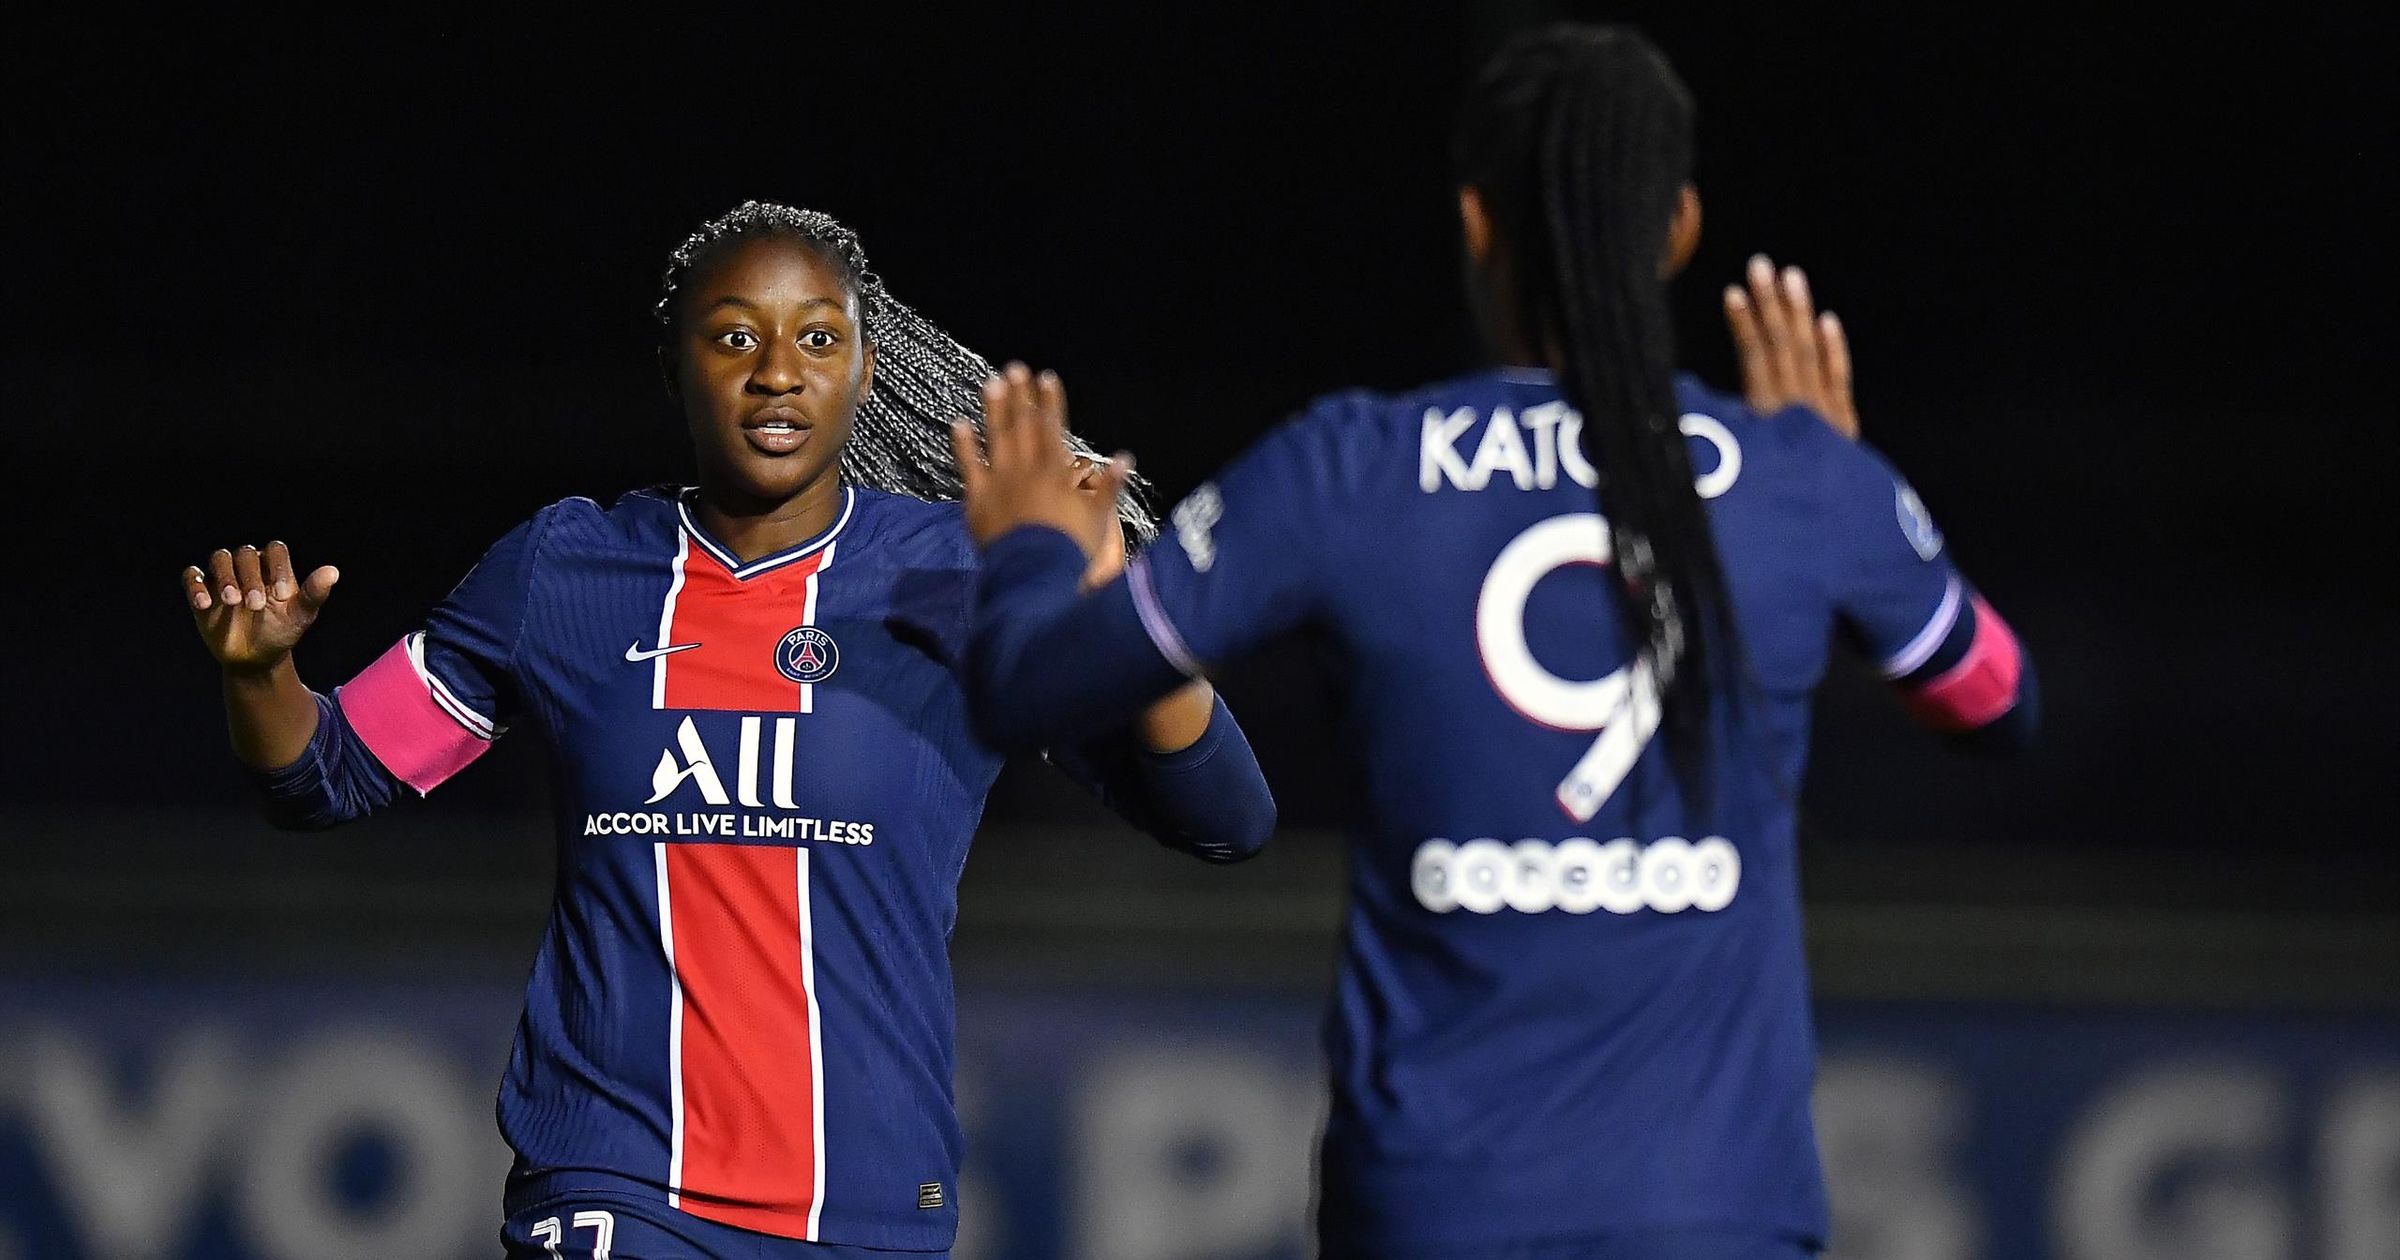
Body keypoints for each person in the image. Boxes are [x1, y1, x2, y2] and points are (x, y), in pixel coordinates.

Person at [953, 25, 2035, 1260]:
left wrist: (1035, 549)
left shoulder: (1349, 468)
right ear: (1678, 228)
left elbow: (1023, 687)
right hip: (1715, 1210)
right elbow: (1997, 701)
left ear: (1475, 224)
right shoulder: (1796, 482)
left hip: (1436, 1211)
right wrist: (1849, 494)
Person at [178, 201, 1274, 1260]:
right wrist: (260, 672)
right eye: (736, 336)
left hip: (872, 1209)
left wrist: (1119, 603)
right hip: (618, 1191)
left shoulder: (959, 581)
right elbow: (324, 777)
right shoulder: (565, 570)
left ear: (865, 370)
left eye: (818, 337)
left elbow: (1227, 820)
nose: (778, 371)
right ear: (674, 365)